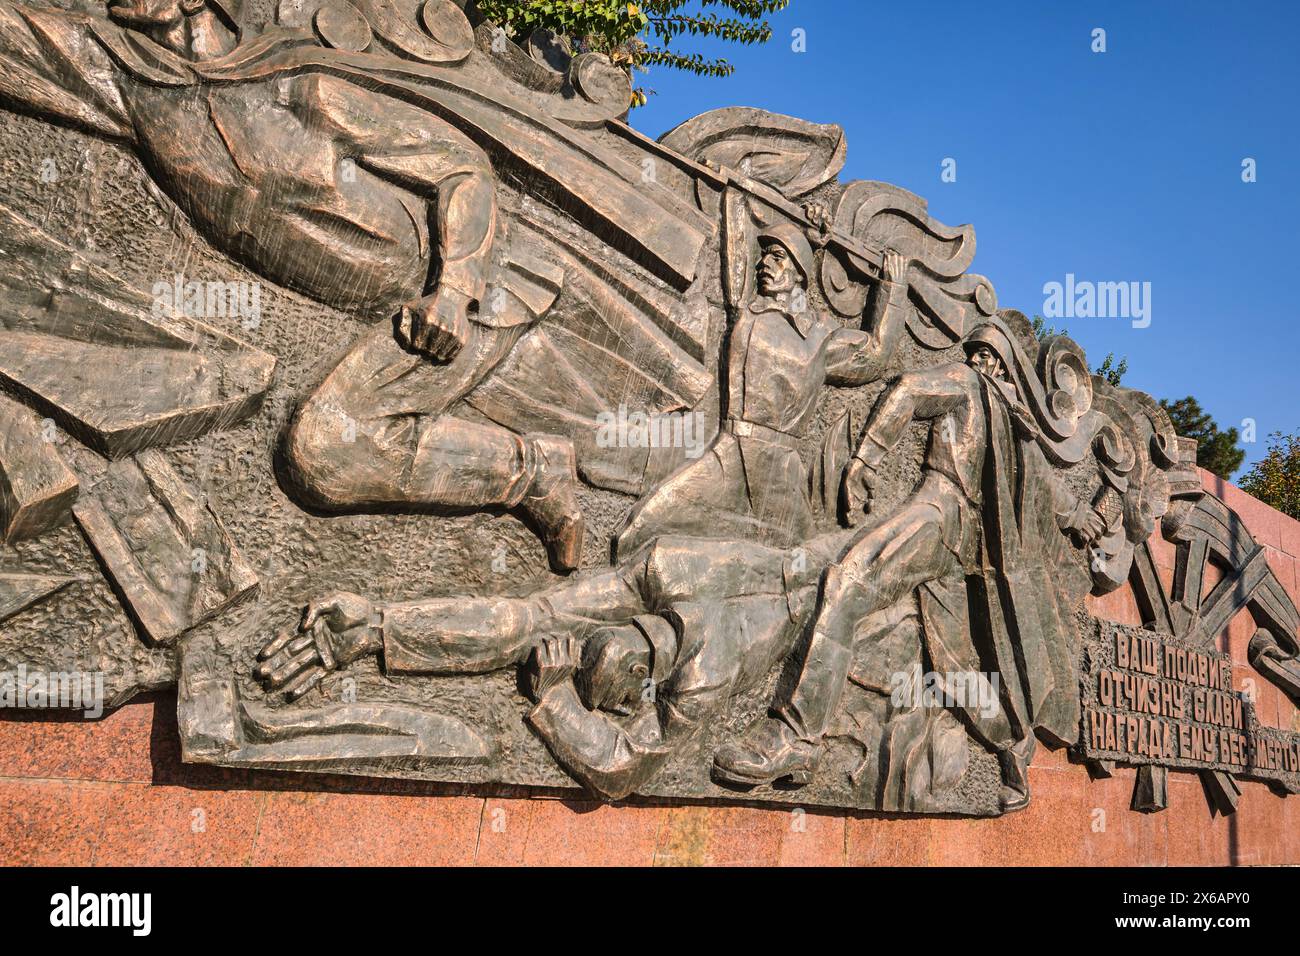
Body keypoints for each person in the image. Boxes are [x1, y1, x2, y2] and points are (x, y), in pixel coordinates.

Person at [0, 0, 583, 569]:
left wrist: (455, 289)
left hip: (472, 298)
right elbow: (22, 38)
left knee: (324, 449)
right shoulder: (140, 93)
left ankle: (532, 471)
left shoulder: (300, 87)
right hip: (388, 322)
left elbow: (462, 167)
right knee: (326, 450)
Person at [713, 319, 1108, 811]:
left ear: (991, 363)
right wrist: (1078, 515)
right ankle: (1013, 742)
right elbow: (1046, 488)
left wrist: (864, 460)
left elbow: (907, 390)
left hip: (938, 513)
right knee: (957, 663)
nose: (972, 362)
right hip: (969, 549)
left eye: (980, 355)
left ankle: (796, 734)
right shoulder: (1015, 420)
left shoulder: (971, 385)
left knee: (849, 581)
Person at [613, 220, 911, 558]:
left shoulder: (821, 335)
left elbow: (875, 355)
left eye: (777, 256)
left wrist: (894, 286)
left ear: (800, 273)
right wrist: (792, 219)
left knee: (806, 566)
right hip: (730, 454)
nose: (763, 263)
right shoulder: (746, 309)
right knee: (639, 530)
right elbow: (738, 221)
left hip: (780, 472)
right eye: (764, 255)